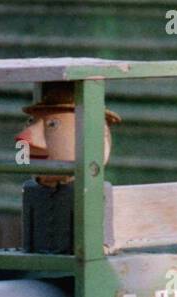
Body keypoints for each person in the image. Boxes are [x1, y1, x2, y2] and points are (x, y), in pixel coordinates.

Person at [16, 83, 120, 253]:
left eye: (52, 125)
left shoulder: (90, 191)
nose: (26, 137)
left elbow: (99, 228)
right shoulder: (32, 190)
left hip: (77, 257)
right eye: (31, 121)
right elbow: (21, 158)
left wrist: (101, 246)